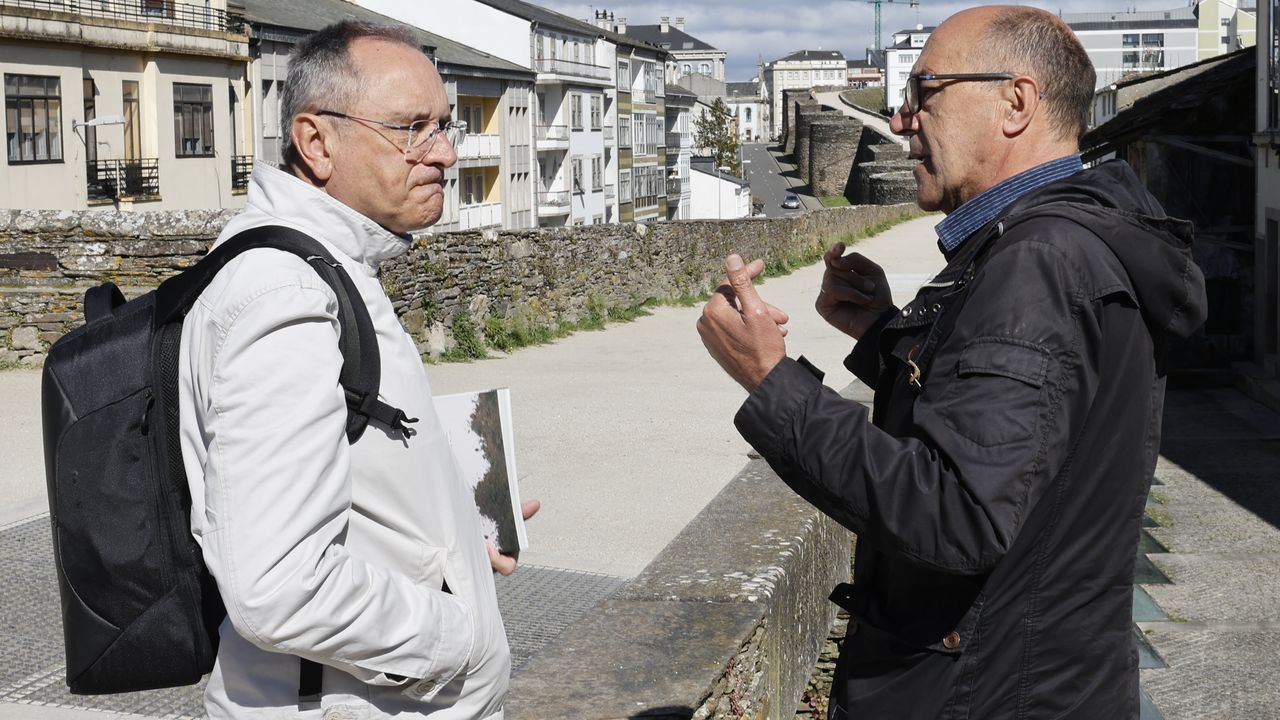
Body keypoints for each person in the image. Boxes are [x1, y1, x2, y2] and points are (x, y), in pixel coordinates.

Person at [698, 6, 1206, 718]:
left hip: (987, 695)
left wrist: (771, 382)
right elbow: (1025, 434)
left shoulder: (1038, 263)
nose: (900, 120)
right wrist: (884, 334)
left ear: (1016, 102)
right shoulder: (1068, 241)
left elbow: (958, 513)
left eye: (924, 92)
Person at [178, 21, 535, 719]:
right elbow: (276, 587)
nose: (445, 154)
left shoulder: (323, 267)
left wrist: (454, 545)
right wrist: (457, 637)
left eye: (444, 126)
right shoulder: (285, 296)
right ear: (316, 142)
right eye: (412, 129)